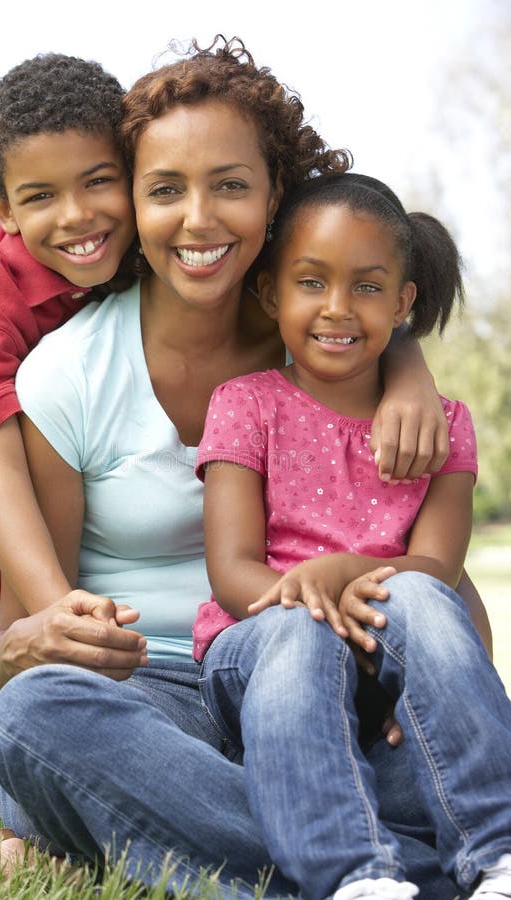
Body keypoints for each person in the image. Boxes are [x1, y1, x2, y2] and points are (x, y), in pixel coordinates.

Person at [0, 38, 480, 897]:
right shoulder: (68, 377)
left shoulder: (327, 336)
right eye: (166, 189)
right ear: (133, 201)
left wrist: (407, 359)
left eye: (233, 186)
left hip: (317, 680)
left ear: (275, 194)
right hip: (158, 695)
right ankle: (376, 863)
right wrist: (27, 647)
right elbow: (10, 643)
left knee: (400, 720)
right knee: (32, 716)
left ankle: (315, 847)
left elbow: (442, 584)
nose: (199, 219)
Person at [193, 173, 511, 900]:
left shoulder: (446, 426)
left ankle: (499, 853)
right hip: (260, 653)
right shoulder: (245, 406)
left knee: (427, 597)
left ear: (403, 305)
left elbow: (437, 567)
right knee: (299, 633)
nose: (337, 308)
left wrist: (343, 570)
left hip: (385, 663)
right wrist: (309, 595)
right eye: (311, 282)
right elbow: (232, 573)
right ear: (273, 294)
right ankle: (353, 877)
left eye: (367, 288)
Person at [0, 52, 136, 822]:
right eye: (42, 196)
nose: (78, 215)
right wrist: (57, 612)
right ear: (1, 205)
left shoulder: (153, 249)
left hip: (105, 568)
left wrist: (404, 360)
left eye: (99, 181)